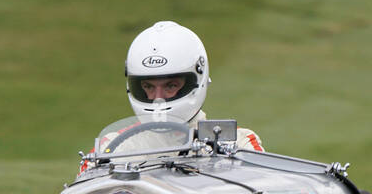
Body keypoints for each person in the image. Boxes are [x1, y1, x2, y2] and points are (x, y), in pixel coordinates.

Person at [106, 20, 263, 153]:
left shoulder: (239, 145)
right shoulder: (112, 148)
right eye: (148, 87)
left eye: (170, 86)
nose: (158, 98)